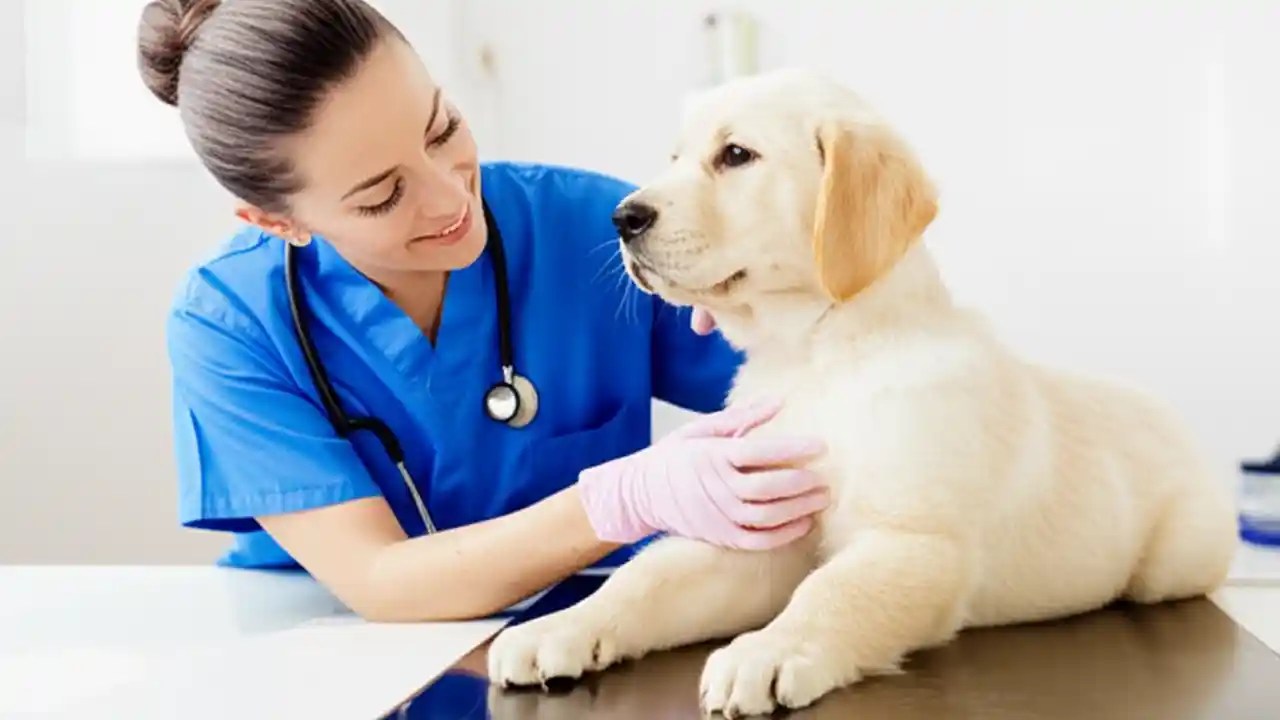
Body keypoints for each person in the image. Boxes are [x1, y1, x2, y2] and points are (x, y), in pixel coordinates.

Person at [138, 0, 830, 622]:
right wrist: (624, 498)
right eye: (382, 195)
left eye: (442, 130)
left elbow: (847, 383)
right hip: (326, 647)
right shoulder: (231, 324)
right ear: (275, 220)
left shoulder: (590, 226)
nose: (450, 200)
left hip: (579, 631)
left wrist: (792, 297)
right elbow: (380, 580)